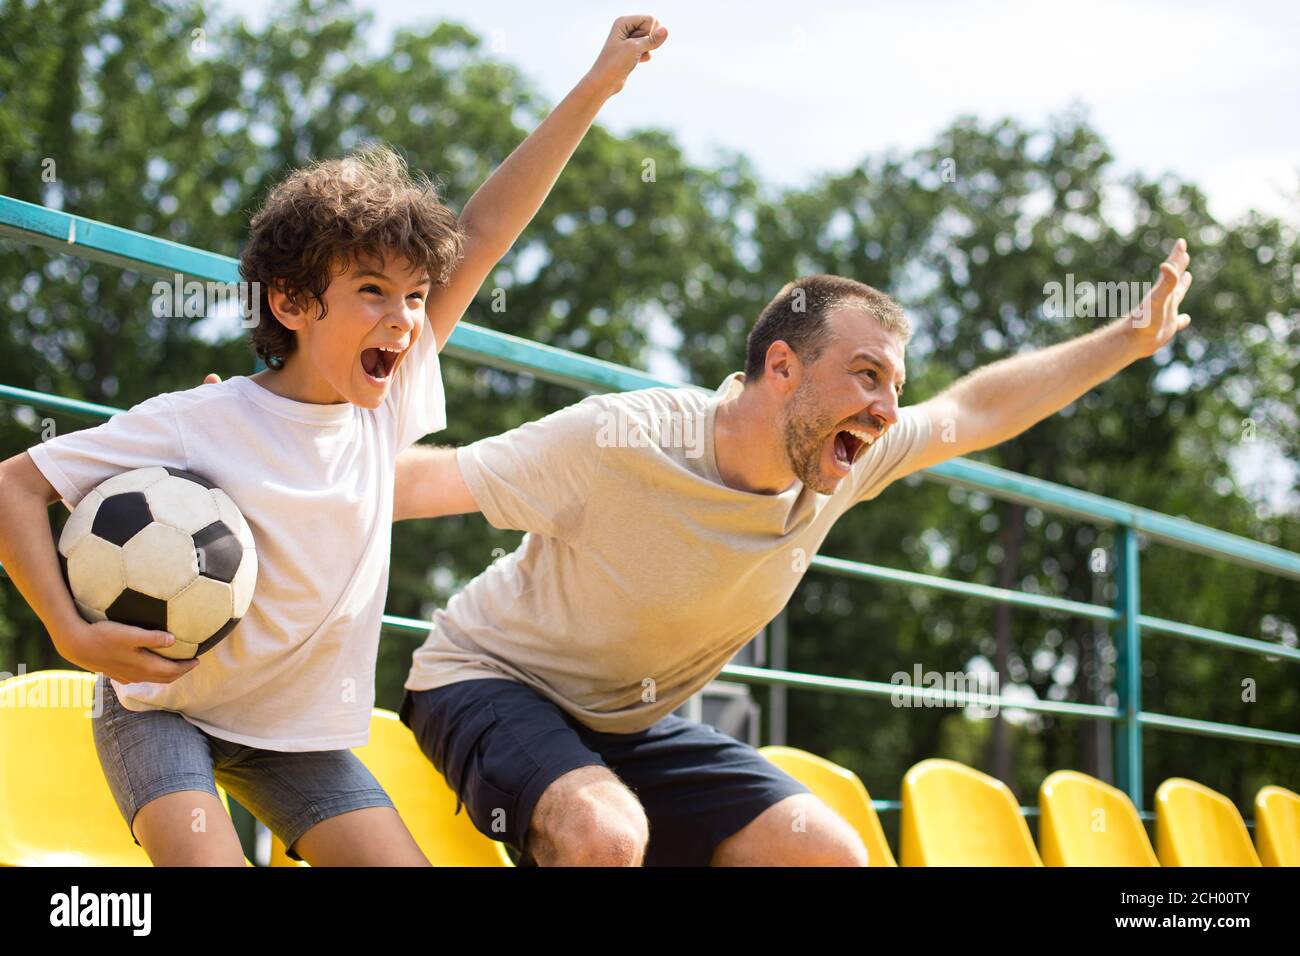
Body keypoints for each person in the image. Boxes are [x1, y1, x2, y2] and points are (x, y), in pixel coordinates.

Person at [0, 14, 669, 866]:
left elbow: (486, 231)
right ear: (289, 302)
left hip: (293, 740)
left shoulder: (383, 406)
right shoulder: (199, 419)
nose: (404, 318)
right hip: (161, 714)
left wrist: (599, 84)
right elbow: (13, 484)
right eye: (371, 291)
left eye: (416, 296)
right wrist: (69, 633)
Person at [391, 244, 1194, 865]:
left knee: (829, 853)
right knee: (604, 835)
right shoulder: (620, 439)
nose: (887, 411)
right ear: (781, 367)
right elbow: (414, 483)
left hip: (625, 720)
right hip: (487, 679)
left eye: (895, 388)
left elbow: (976, 409)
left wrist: (1128, 339)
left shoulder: (848, 461)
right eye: (867, 376)